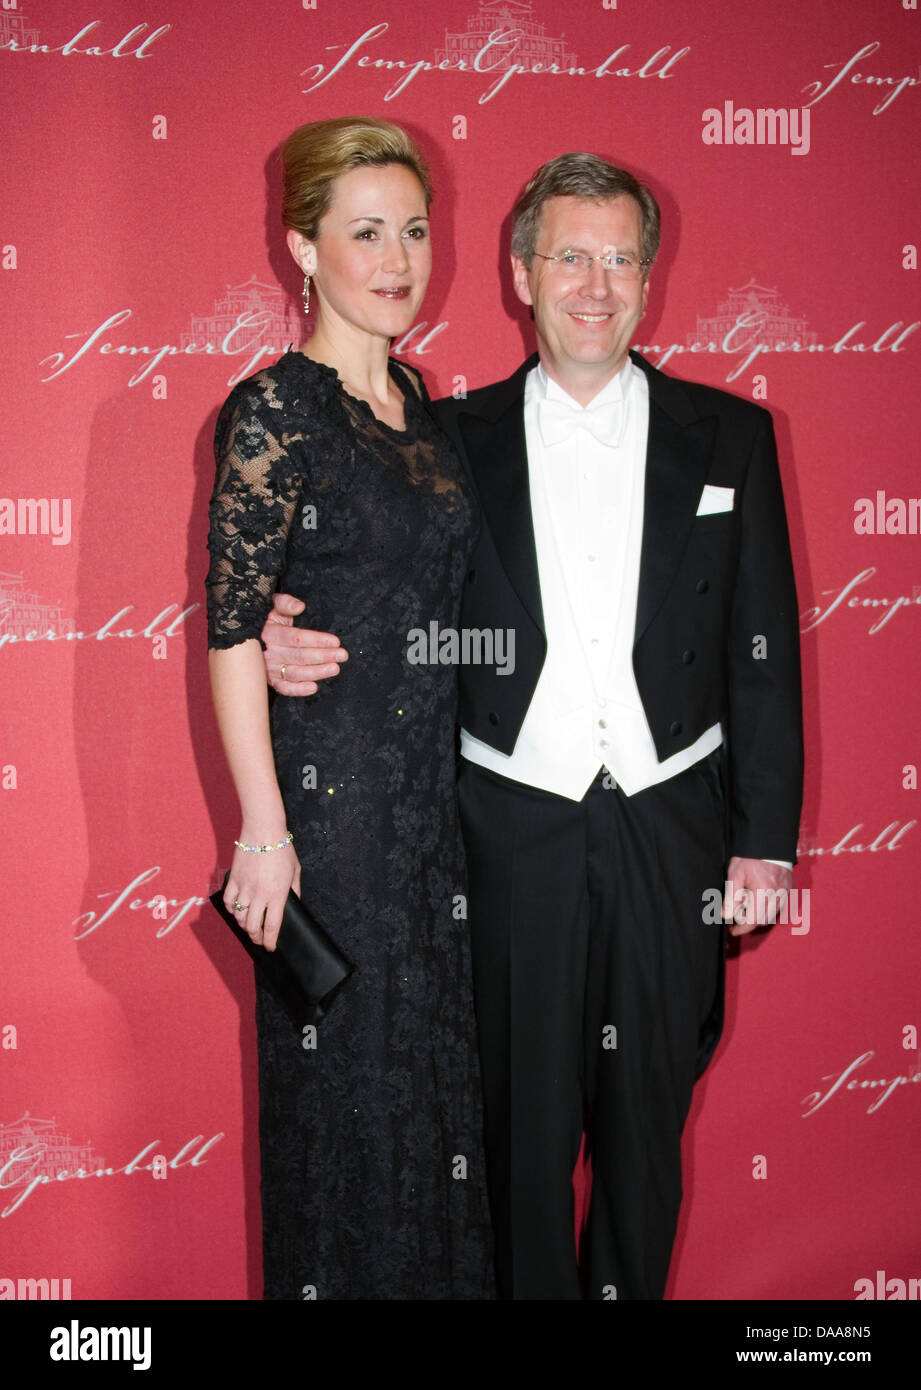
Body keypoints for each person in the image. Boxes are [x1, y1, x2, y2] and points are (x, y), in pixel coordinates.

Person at [262, 153, 804, 1300]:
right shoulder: (444, 440)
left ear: (649, 280)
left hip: (676, 833)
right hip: (508, 832)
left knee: (646, 1139)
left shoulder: (733, 438)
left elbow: (764, 657)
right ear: (521, 274)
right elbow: (386, 603)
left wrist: (765, 843)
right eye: (571, 256)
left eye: (620, 258)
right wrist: (277, 627)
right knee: (517, 1138)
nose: (595, 285)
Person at [205, 116, 494, 1300]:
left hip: (434, 817)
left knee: (431, 1106)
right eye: (365, 231)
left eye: (414, 230)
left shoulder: (420, 404)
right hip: (332, 820)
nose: (398, 258)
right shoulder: (276, 408)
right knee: (348, 1106)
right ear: (302, 247)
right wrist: (263, 828)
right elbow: (229, 630)